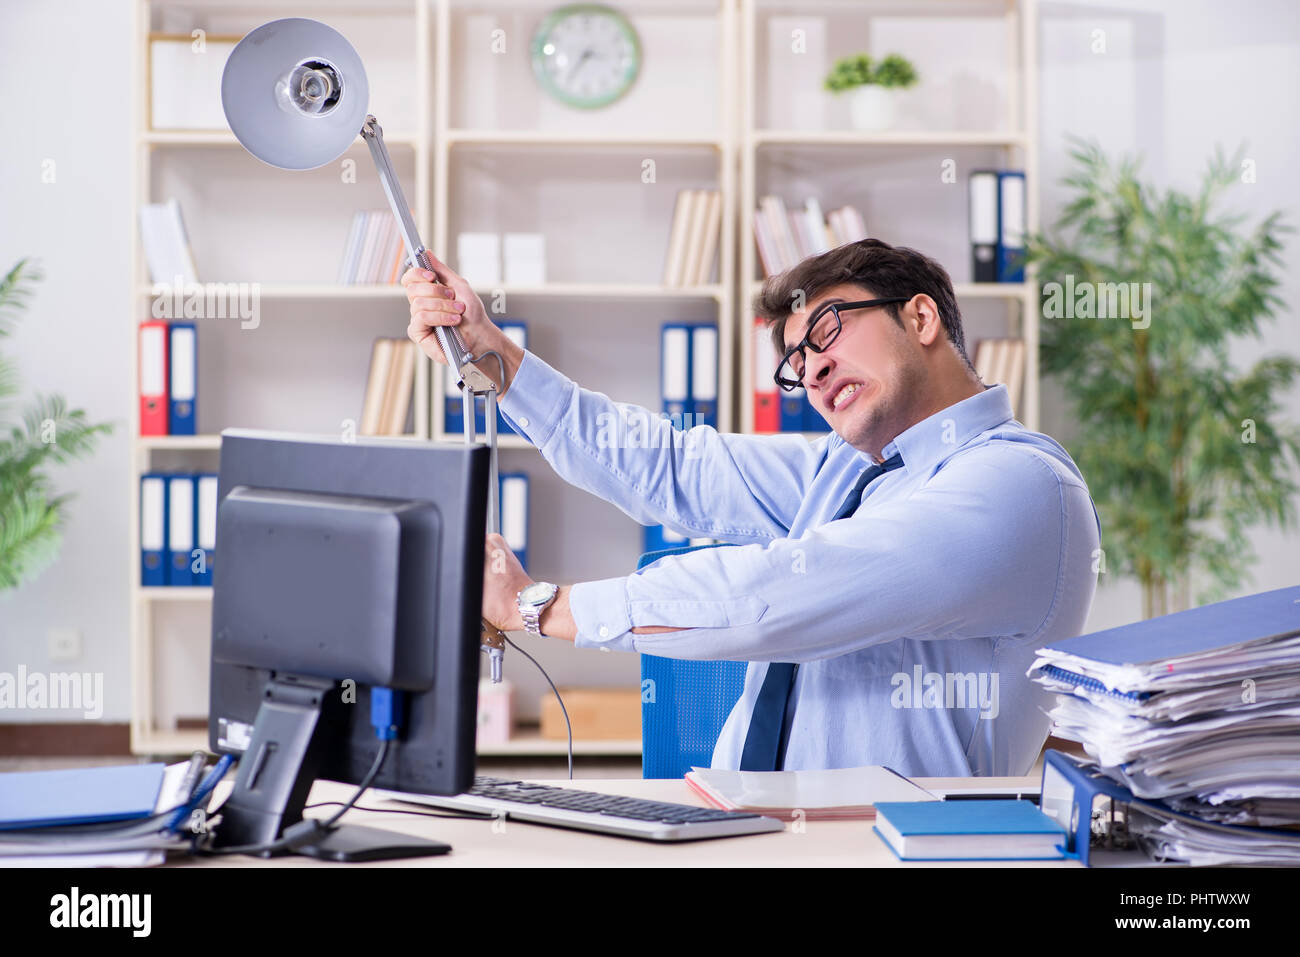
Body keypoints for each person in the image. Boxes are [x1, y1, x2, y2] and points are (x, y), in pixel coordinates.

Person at [403, 238, 1099, 777]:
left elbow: (783, 592)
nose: (813, 370)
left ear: (919, 315)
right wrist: (490, 353)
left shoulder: (1020, 485)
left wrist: (539, 607)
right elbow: (670, 464)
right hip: (741, 825)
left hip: (886, 851)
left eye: (828, 330)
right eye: (796, 361)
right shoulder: (846, 468)